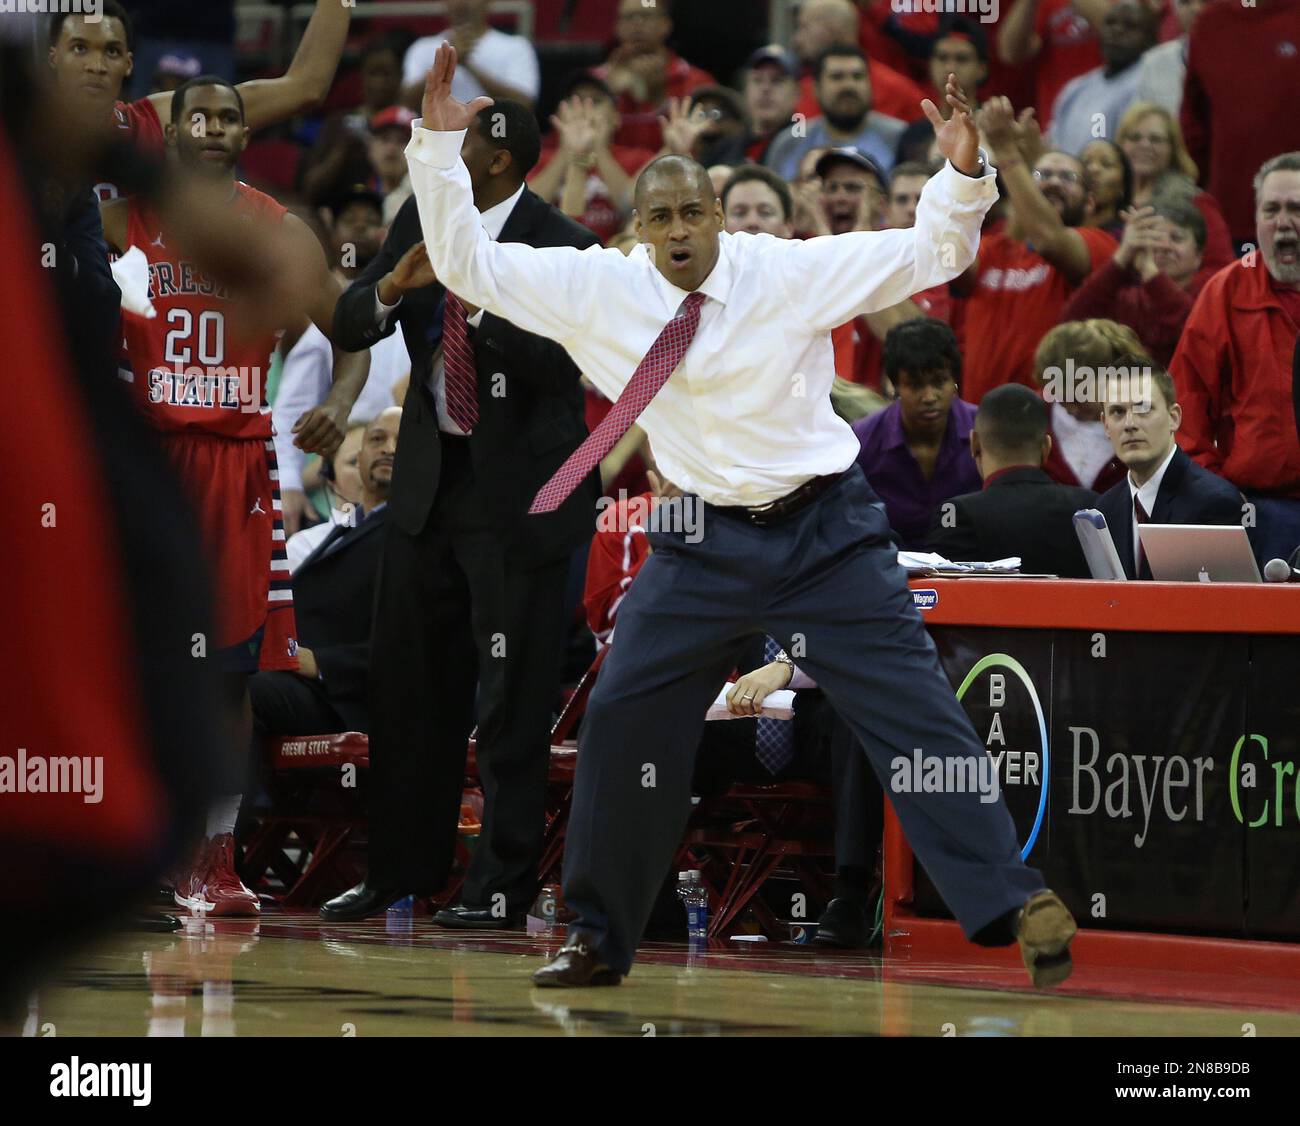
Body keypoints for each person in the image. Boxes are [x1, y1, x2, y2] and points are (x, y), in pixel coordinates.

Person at [406, 45, 1080, 988]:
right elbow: (465, 264)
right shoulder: (598, 285)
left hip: (827, 534)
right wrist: (437, 154)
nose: (679, 230)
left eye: (693, 212)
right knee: (622, 714)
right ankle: (599, 936)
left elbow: (934, 251)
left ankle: (1014, 897)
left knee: (919, 715)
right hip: (702, 541)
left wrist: (965, 173)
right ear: (637, 230)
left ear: (719, 217)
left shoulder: (786, 272)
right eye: (660, 218)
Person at [324, 101, 601, 927]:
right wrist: (392, 290)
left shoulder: (566, 245)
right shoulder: (421, 216)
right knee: (408, 687)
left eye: (460, 138)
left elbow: (567, 362)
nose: (439, 151)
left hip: (522, 496)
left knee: (510, 697)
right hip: (428, 484)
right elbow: (349, 318)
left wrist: (478, 301)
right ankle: (399, 872)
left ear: (502, 158)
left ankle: (502, 882)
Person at [100, 76, 372, 917]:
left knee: (226, 677)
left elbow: (353, 328)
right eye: (198, 115)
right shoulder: (117, 217)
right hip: (143, 461)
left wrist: (333, 403)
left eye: (229, 117)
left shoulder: (276, 227)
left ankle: (213, 861)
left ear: (247, 133)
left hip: (234, 465)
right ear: (170, 129)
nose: (215, 127)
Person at [48, 1, 352, 201]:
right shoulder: (17, 134)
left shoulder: (161, 119)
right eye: (79, 49)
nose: (96, 66)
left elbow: (305, 87)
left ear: (129, 64)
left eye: (111, 52)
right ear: (52, 57)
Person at [1171, 153, 1300, 566]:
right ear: (1257, 219)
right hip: (1260, 510)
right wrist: (1219, 490)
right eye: (1272, 209)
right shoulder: (1225, 293)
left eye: (1296, 209)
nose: (1283, 223)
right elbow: (1185, 408)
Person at [250, 409, 399, 742]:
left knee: (241, 691)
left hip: (353, 700)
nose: (389, 448)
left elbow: (416, 643)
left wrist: (320, 663)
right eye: (377, 439)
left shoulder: (420, 540)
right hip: (298, 680)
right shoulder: (343, 531)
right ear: (359, 459)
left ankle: (241, 797)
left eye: (402, 442)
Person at [958, 97, 1117, 403]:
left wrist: (1006, 152)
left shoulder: (1099, 244)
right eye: (1042, 176)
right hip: (981, 422)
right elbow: (952, 273)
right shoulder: (994, 249)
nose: (1053, 182)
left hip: (1054, 422)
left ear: (1090, 202)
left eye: (1068, 177)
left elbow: (1048, 239)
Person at [274, 184, 411, 535]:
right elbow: (291, 410)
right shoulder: (331, 316)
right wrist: (288, 484)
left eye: (370, 221)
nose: (361, 228)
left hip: (411, 461)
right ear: (332, 229)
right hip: (347, 466)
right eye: (351, 220)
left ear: (384, 233)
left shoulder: (414, 308)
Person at [1096, 358, 1244, 580]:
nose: (1129, 424)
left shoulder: (1216, 502)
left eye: (1143, 409)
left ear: (1174, 418)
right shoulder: (1106, 509)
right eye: (1117, 412)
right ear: (1106, 425)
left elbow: (1228, 606)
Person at [926, 384, 1097, 576]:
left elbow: (937, 595)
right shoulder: (1090, 507)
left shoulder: (954, 514)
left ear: (974, 443)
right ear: (1046, 448)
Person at [853, 320, 981, 550]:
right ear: (894, 386)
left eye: (939, 382)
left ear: (954, 380)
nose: (929, 396)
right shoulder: (861, 441)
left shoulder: (984, 430)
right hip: (888, 573)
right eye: (915, 385)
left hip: (974, 570)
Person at [1181, 0, 1300, 246]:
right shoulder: (1210, 24)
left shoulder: (1209, 22)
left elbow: (1194, 128)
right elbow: (1193, 126)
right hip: (1234, 215)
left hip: (1234, 213)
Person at [1060, 199, 1207, 366]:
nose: (1164, 245)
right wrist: (1123, 255)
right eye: (1154, 237)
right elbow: (1072, 321)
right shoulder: (1129, 299)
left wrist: (1151, 274)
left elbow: (1195, 333)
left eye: (1177, 238)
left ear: (1198, 256)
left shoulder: (1207, 296)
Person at [529, 72, 656, 245]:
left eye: (596, 101)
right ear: (559, 115)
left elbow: (633, 207)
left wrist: (599, 149)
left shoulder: (639, 158)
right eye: (576, 100)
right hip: (556, 252)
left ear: (616, 117)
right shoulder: (537, 158)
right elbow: (526, 210)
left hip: (620, 253)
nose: (584, 109)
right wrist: (568, 151)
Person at [1115, 102, 1233, 271]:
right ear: (1120, 145)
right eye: (1135, 137)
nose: (1144, 145)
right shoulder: (1106, 200)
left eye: (1155, 139)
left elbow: (1220, 269)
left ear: (1173, 149)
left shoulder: (1197, 203)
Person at [765, 46, 907, 182]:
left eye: (857, 76)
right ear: (816, 88)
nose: (848, 85)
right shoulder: (789, 144)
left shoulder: (899, 138)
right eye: (837, 77)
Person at [591, 0, 715, 152]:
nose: (637, 23)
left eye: (646, 15)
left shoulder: (696, 81)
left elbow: (709, 149)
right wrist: (608, 95)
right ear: (617, 27)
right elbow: (564, 149)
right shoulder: (594, 81)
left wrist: (659, 100)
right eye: (629, 17)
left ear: (666, 25)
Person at [1049, 0, 1159, 157]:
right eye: (1110, 23)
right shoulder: (1076, 89)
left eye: (1130, 26)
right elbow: (1052, 147)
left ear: (1151, 39)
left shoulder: (1150, 87)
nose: (1117, 30)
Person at [791, 0, 928, 124]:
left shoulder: (898, 93)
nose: (796, 40)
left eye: (804, 27)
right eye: (836, 77)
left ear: (830, 30)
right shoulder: (799, 90)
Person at [1033, 319, 1130, 494]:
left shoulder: (1145, 421)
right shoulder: (1033, 415)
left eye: (1079, 400)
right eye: (1061, 400)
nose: (1071, 409)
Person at [400, 0, 539, 110]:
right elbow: (406, 103)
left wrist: (468, 64)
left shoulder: (516, 47)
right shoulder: (422, 47)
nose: (462, 2)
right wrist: (446, 63)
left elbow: (524, 104)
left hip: (496, 139)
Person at [997, 0, 1103, 131]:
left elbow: (1111, 27)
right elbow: (1010, 54)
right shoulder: (1047, 3)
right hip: (1055, 122)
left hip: (1105, 114)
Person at [285, 422, 366, 572]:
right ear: (330, 476)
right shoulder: (304, 546)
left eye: (370, 462)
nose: (365, 471)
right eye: (354, 462)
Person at [1135, 0, 1208, 116]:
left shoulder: (1239, 61)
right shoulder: (1153, 63)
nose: (1195, 9)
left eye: (1206, 1)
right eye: (1185, 2)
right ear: (1176, 11)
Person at [741, 46, 801, 165]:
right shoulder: (724, 149)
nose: (765, 88)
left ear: (796, 93)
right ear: (745, 90)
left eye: (777, 80)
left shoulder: (805, 150)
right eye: (757, 80)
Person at [1080, 139, 1132, 236]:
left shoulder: (1127, 236)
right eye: (1085, 163)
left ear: (1123, 186)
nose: (1093, 169)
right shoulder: (1061, 227)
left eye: (1106, 164)